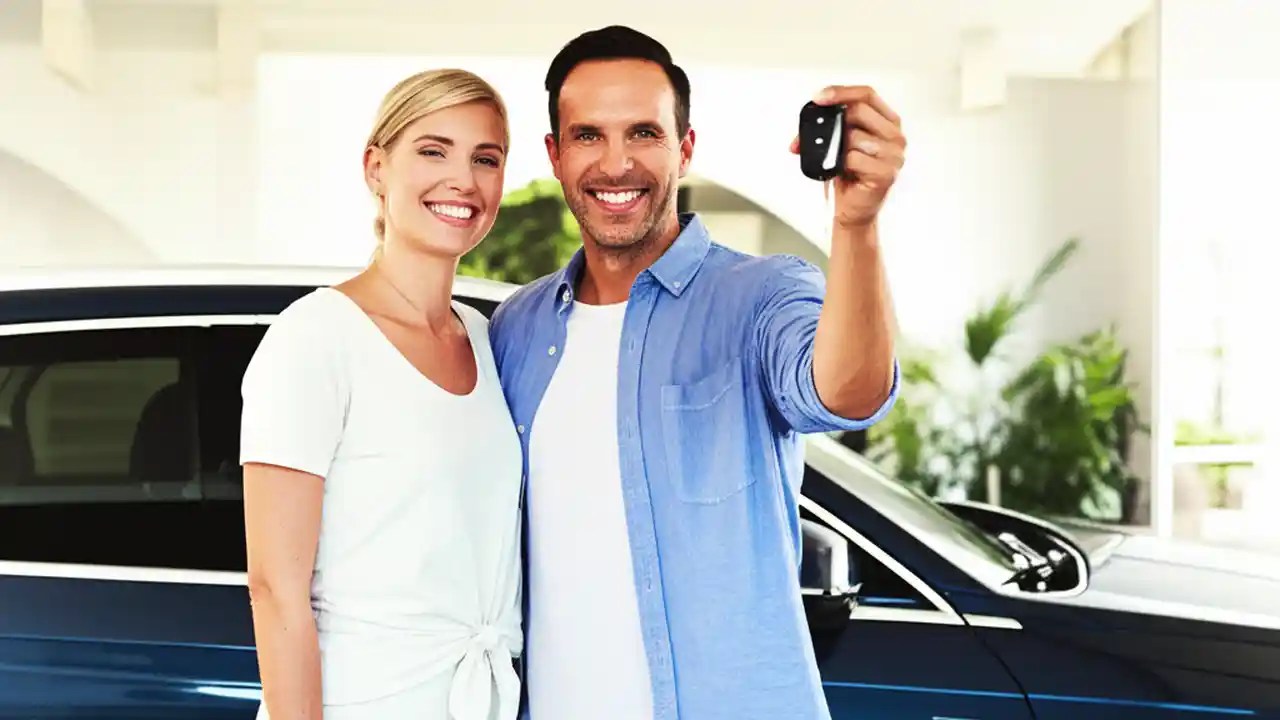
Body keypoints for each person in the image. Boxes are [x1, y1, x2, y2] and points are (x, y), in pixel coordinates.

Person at [489, 25, 905, 720]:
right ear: (556, 156)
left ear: (684, 148)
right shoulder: (516, 329)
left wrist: (856, 226)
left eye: (643, 134)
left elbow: (846, 393)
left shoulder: (761, 295)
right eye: (589, 135)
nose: (616, 163)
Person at [240, 68, 523, 720]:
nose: (463, 179)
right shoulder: (316, 337)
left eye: (486, 159)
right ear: (376, 167)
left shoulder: (487, 339)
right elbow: (276, 588)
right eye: (433, 151)